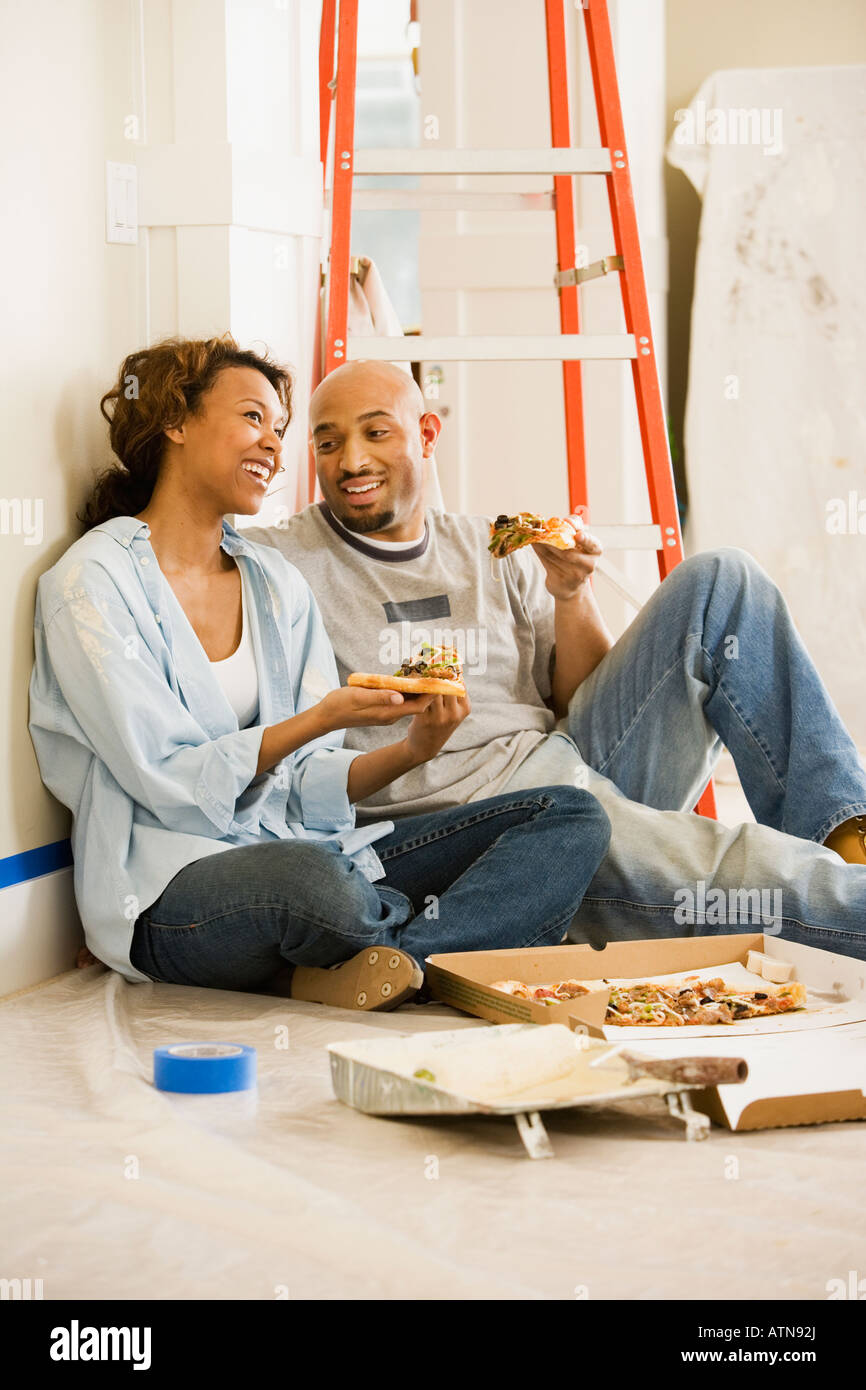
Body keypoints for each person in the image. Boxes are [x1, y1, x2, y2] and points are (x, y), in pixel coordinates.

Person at [28, 336, 611, 1009]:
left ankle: (400, 967)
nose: (274, 447)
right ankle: (438, 940)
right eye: (253, 418)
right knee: (318, 885)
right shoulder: (91, 584)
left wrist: (413, 750)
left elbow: (307, 784)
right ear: (176, 421)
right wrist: (321, 717)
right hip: (174, 887)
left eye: (279, 430)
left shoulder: (274, 581)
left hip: (317, 855)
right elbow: (167, 780)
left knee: (567, 816)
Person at [244, 357, 866, 961]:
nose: (351, 461)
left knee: (723, 578)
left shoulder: (489, 544)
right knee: (740, 868)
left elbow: (581, 699)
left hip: (566, 765)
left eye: (376, 433)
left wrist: (571, 594)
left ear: (426, 434)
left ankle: (846, 832)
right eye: (327, 444)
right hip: (501, 832)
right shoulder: (282, 560)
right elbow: (181, 531)